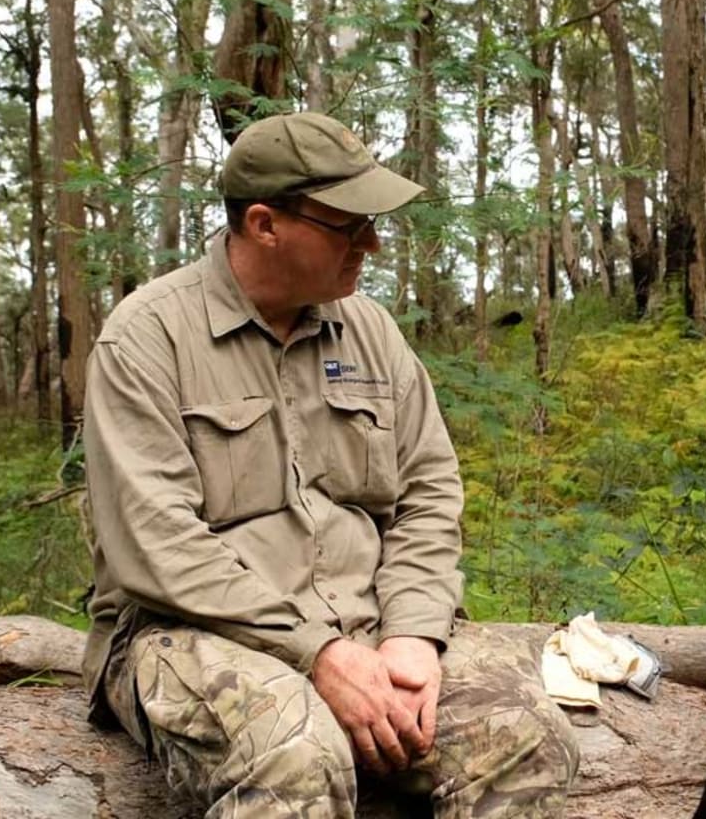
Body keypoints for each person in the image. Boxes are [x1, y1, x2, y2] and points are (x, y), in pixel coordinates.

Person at [81, 111, 579, 818]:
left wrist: (411, 632)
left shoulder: (370, 331)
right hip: (188, 633)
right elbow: (157, 545)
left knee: (527, 734)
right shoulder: (148, 339)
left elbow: (427, 495)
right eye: (349, 226)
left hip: (369, 625)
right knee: (295, 750)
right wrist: (319, 653)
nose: (372, 243)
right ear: (264, 224)